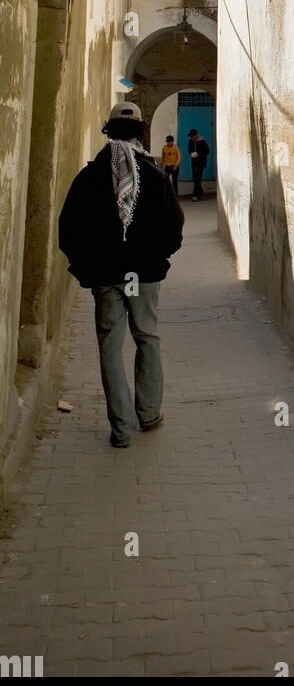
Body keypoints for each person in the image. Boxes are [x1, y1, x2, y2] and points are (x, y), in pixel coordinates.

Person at [58, 102, 184, 448]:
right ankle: (149, 414)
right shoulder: (156, 178)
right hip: (142, 276)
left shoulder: (88, 177)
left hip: (105, 276)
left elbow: (68, 230)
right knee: (147, 337)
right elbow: (174, 232)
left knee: (110, 348)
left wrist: (87, 269)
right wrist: (153, 260)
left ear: (108, 132)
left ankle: (121, 429)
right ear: (142, 133)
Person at [187, 127, 210, 201]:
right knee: (195, 178)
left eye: (192, 136)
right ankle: (200, 192)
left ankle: (195, 195)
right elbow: (189, 149)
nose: (192, 137)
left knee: (198, 178)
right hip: (194, 162)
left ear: (196, 135)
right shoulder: (190, 141)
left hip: (201, 162)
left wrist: (199, 154)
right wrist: (191, 153)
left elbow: (207, 151)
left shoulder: (202, 141)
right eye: (191, 136)